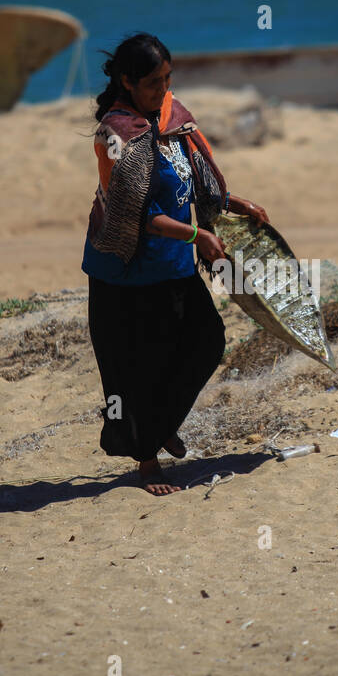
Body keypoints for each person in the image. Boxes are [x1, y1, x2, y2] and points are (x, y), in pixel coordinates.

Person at [82, 33, 270, 495]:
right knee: (133, 367)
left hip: (172, 266)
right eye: (152, 83)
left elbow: (194, 184)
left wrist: (234, 203)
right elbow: (138, 215)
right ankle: (147, 464)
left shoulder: (172, 118)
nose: (163, 90)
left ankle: (162, 423)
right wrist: (198, 235)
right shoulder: (116, 135)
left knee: (206, 342)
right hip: (124, 271)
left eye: (168, 78)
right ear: (126, 82)